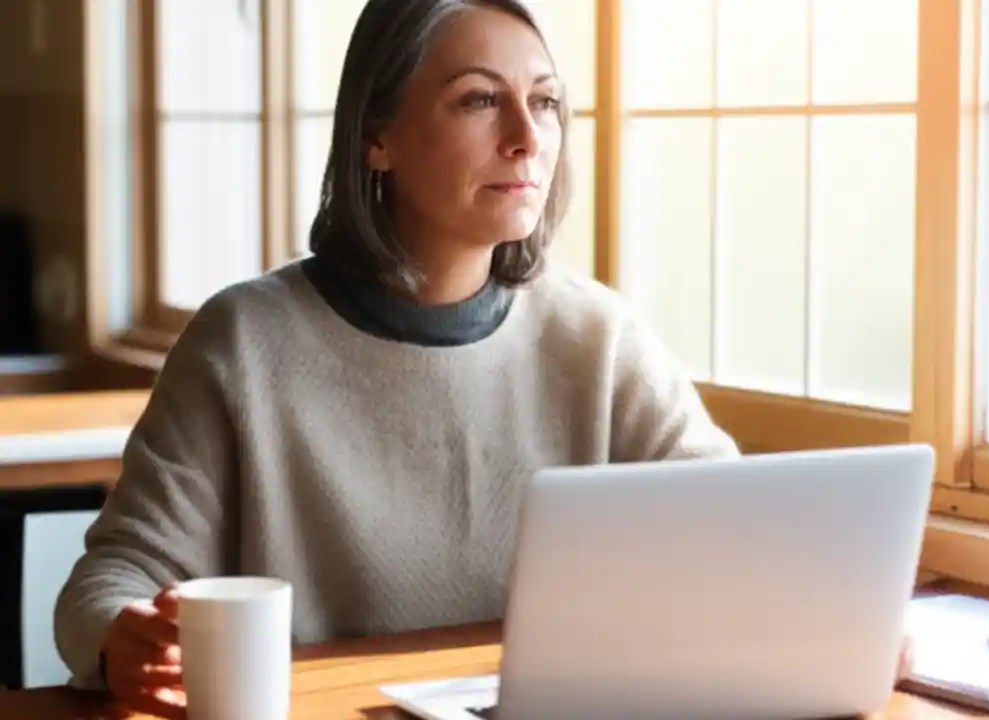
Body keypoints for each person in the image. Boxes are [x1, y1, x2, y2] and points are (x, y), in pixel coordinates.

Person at [54, 2, 905, 718]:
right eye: (477, 101)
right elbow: (109, 580)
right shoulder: (242, 342)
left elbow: (737, 539)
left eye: (545, 103)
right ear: (376, 138)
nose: (527, 138)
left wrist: (838, 616)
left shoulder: (599, 338)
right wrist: (121, 636)